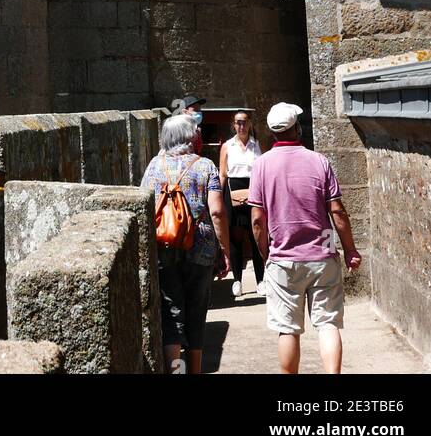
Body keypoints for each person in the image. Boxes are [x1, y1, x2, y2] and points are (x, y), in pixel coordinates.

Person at [248, 102, 362, 375]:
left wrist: (266, 254)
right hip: (322, 254)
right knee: (328, 323)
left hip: (283, 258)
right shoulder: (319, 161)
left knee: (287, 328)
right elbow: (337, 211)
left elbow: (257, 220)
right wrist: (350, 250)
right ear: (297, 128)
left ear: (272, 133)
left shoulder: (261, 165)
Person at [142, 112, 231, 375]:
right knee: (196, 312)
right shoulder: (205, 166)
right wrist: (224, 250)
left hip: (164, 245)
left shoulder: (154, 166)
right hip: (201, 248)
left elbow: (143, 206)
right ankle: (194, 371)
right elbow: (217, 211)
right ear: (189, 137)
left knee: (171, 314)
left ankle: (174, 372)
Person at [219, 110, 264, 298]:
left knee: (256, 236)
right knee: (236, 238)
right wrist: (219, 198)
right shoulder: (227, 146)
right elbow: (223, 174)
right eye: (238, 122)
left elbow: (262, 170)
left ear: (250, 123)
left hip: (254, 189)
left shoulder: (257, 144)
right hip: (233, 191)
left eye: (244, 122)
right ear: (233, 125)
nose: (241, 126)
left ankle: (261, 281)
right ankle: (237, 280)